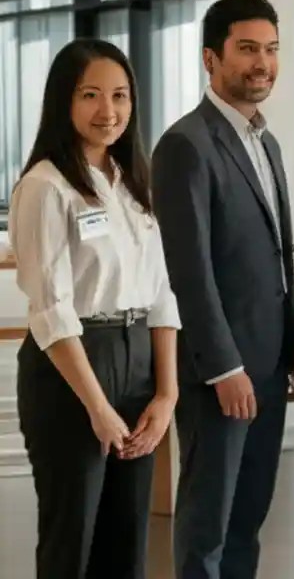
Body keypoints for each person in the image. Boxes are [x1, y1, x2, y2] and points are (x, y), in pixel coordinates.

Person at [151, 0, 294, 579]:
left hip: (270, 365)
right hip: (221, 375)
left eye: (271, 49)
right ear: (210, 59)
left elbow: (277, 258)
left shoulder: (265, 143)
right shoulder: (185, 145)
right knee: (207, 527)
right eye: (247, 49)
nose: (262, 63)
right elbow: (188, 269)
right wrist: (224, 368)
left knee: (248, 522)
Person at [9, 38, 181, 578]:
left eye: (120, 96)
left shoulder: (132, 183)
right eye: (91, 95)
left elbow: (160, 294)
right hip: (72, 371)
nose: (109, 111)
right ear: (64, 101)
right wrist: (99, 407)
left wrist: (166, 393)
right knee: (72, 543)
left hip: (138, 364)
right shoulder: (44, 186)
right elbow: (50, 310)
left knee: (127, 544)